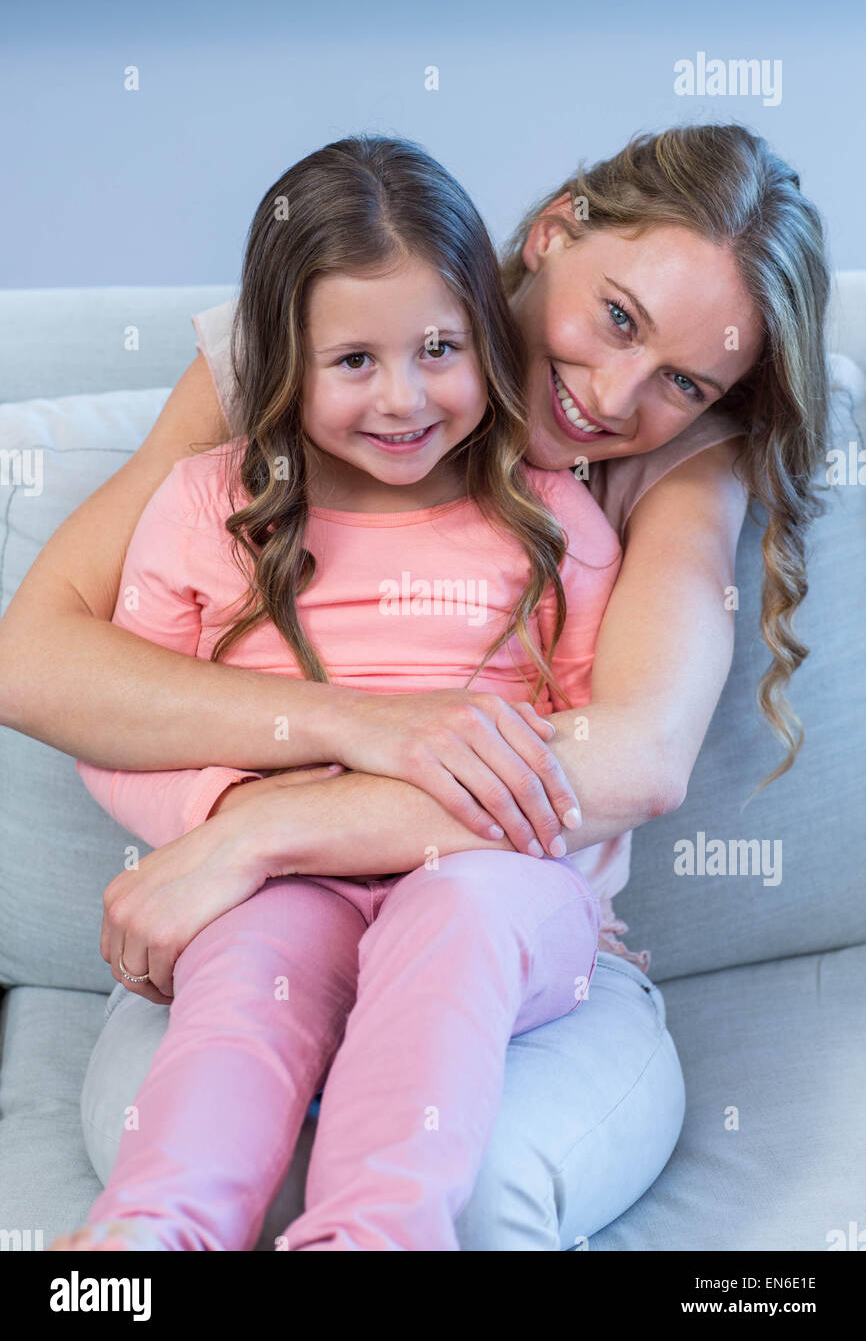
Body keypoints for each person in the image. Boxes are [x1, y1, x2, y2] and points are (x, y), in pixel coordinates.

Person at [1, 123, 829, 1250]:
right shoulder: (305, 338)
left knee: (457, 1168)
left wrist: (274, 827)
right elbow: (41, 658)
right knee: (225, 1140)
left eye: (683, 377)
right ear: (550, 234)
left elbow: (633, 751)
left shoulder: (612, 499)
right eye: (614, 317)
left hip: (489, 915)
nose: (611, 394)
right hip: (252, 925)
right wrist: (353, 734)